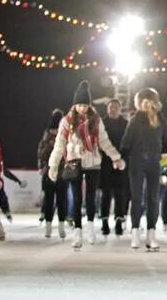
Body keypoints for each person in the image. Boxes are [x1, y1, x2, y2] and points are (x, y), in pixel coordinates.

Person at [48, 82, 125, 250]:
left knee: (90, 197)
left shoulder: (96, 121)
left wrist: (115, 157)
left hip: (93, 163)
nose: (82, 108)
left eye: (85, 105)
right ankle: (77, 231)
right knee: (77, 198)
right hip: (74, 162)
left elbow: (104, 142)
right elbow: (59, 145)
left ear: (89, 105)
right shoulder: (67, 121)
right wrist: (53, 165)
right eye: (79, 105)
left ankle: (90, 228)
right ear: (75, 104)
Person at [121, 89, 167, 251]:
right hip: (139, 163)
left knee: (151, 199)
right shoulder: (137, 119)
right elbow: (126, 142)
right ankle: (136, 233)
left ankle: (150, 235)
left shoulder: (160, 120)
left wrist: (157, 151)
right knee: (140, 198)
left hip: (150, 162)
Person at [98, 100, 129, 237]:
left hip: (121, 163)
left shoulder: (126, 124)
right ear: (107, 109)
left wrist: (122, 159)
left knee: (120, 194)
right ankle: (104, 221)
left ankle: (119, 221)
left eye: (116, 107)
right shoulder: (101, 124)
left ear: (120, 108)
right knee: (106, 194)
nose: (113, 109)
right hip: (105, 163)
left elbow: (129, 143)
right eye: (111, 107)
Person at [37, 110, 69, 239]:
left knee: (62, 201)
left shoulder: (66, 137)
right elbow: (41, 154)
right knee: (49, 200)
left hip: (62, 173)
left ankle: (61, 226)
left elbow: (68, 154)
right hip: (49, 173)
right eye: (53, 130)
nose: (55, 132)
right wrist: (50, 144)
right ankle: (48, 226)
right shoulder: (45, 139)